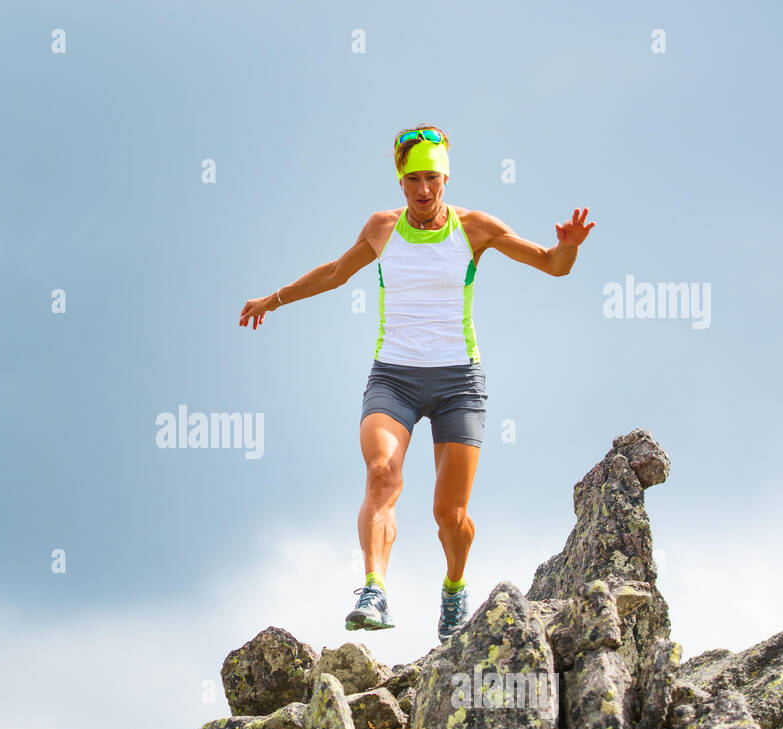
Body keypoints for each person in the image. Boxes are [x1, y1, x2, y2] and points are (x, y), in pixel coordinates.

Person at [239, 125, 595, 641]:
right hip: (394, 379)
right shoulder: (383, 228)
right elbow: (337, 272)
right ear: (400, 182)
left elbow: (551, 266)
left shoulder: (475, 228)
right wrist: (273, 299)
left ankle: (454, 588)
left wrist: (569, 248)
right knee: (382, 472)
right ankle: (374, 589)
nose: (424, 190)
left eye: (433, 178)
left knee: (450, 516)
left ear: (445, 178)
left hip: (458, 384)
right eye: (414, 180)